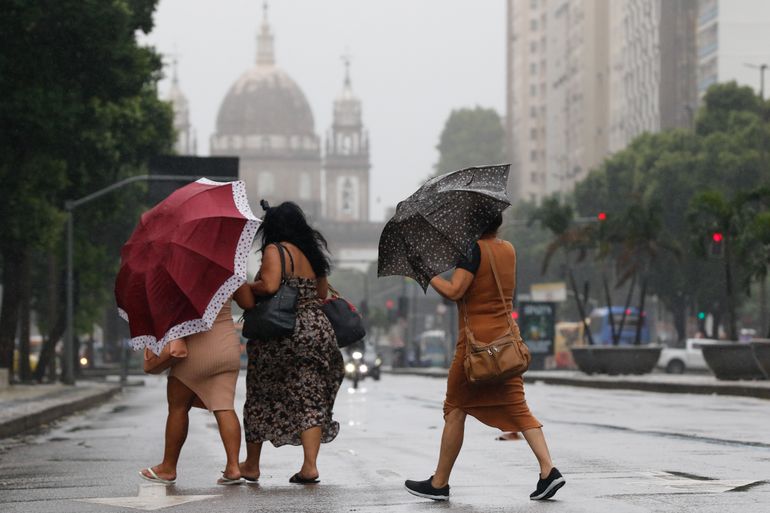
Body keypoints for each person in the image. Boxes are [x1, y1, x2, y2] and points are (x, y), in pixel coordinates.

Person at [404, 213, 565, 501]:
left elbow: (456, 291)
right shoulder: (508, 249)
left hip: (475, 348)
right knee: (518, 407)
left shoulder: (472, 250)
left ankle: (439, 483)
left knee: (455, 408)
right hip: (505, 344)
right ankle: (548, 470)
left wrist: (427, 272)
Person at [238, 200, 345, 484]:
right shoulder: (312, 253)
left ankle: (252, 465)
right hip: (316, 330)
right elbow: (321, 293)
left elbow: (270, 286)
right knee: (310, 396)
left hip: (282, 331)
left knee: (261, 393)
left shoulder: (275, 250)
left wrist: (250, 285)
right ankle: (310, 466)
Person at [139, 286, 254, 486]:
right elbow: (248, 302)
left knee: (178, 407)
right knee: (224, 406)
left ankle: (168, 468)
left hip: (194, 348)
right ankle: (233, 467)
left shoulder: (177, 276)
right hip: (227, 347)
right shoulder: (228, 271)